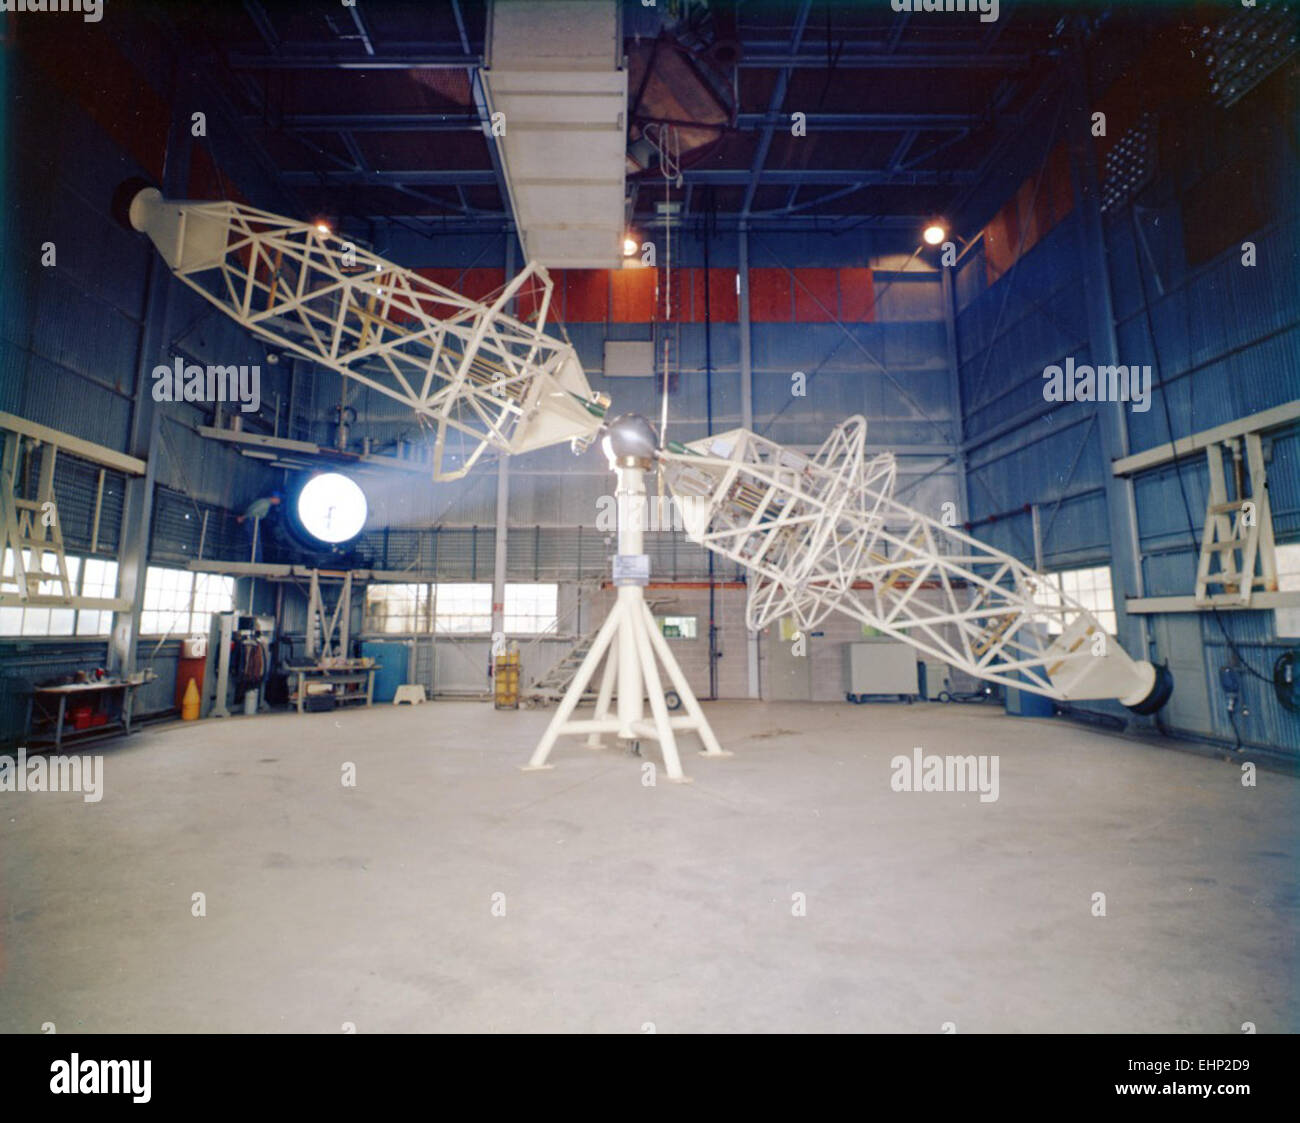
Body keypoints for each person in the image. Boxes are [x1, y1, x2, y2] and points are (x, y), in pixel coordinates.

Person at [237, 493, 281, 562]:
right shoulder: (265, 503)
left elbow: (252, 509)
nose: (278, 502)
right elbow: (253, 511)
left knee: (251, 542)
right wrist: (243, 517)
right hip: (253, 521)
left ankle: (250, 560)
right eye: (279, 500)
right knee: (255, 542)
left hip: (251, 521)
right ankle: (256, 561)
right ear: (275, 498)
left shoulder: (264, 501)